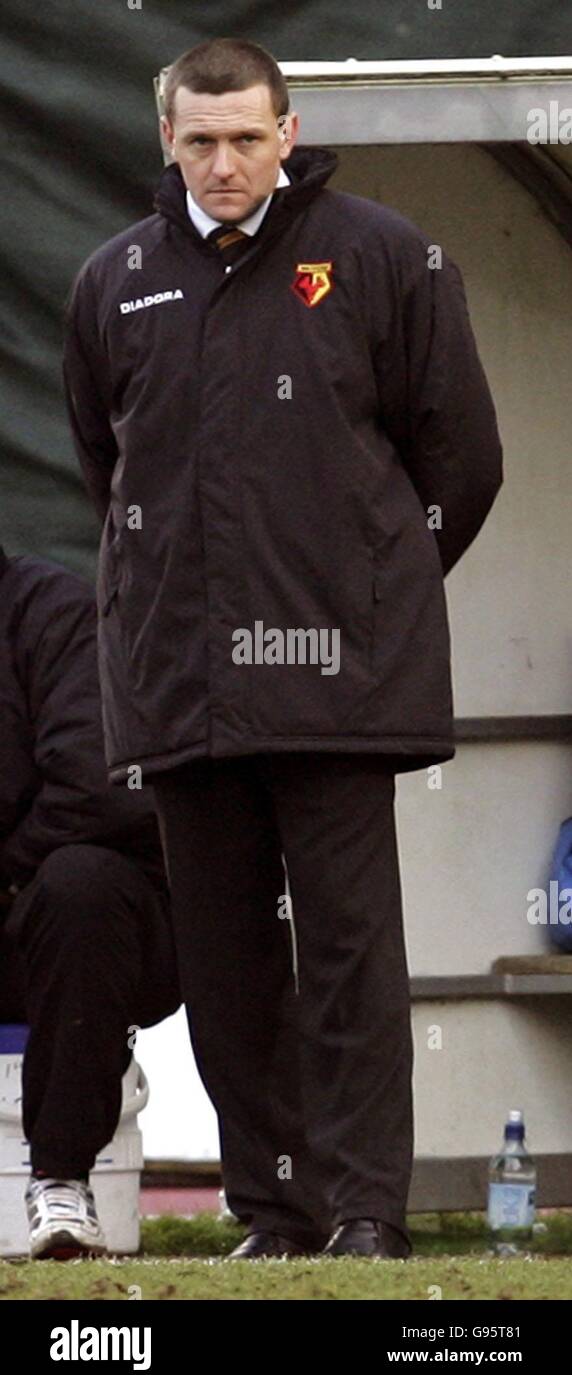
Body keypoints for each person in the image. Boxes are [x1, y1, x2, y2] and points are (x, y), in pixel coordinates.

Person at [63, 37, 503, 1260]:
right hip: (184, 692)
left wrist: (366, 592)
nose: (223, 163)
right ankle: (276, 1211)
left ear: (288, 131)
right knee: (230, 965)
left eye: (246, 137)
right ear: (165, 141)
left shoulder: (380, 258)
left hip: (338, 684)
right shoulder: (114, 279)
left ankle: (366, 1210)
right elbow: (112, 476)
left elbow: (459, 464)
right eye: (198, 140)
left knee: (353, 958)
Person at [0, 546, 180, 1258]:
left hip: (79, 928)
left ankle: (61, 1180)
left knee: (81, 883)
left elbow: (97, 788)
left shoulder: (54, 611)